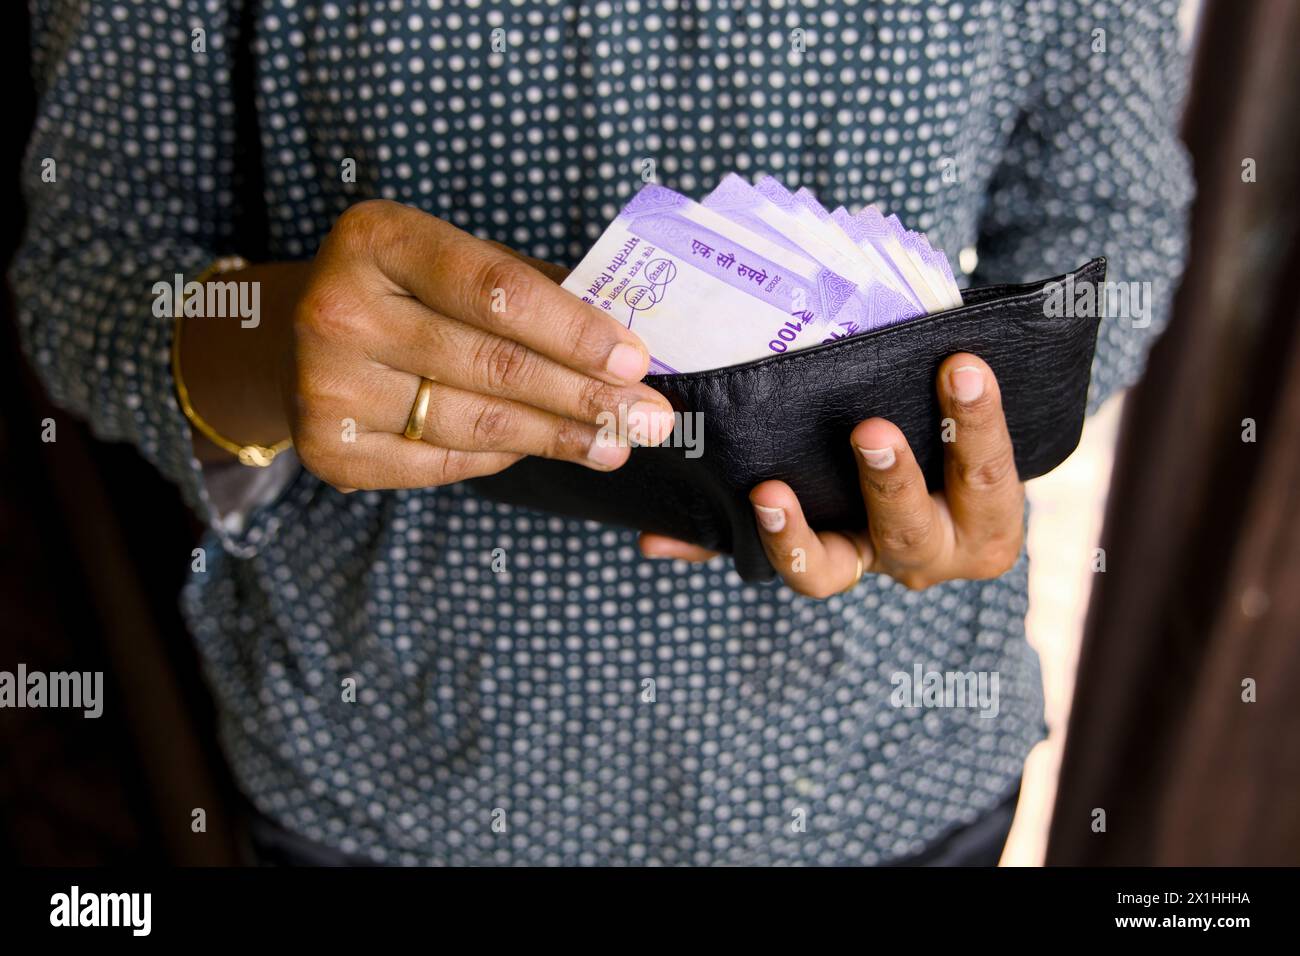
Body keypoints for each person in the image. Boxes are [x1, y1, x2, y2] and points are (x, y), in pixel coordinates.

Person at [11, 0, 1192, 866]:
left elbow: (1115, 228)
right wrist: (275, 343)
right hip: (382, 780)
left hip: (881, 774)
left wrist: (966, 455)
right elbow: (86, 271)